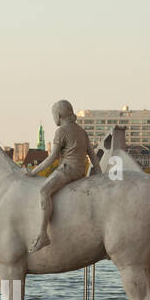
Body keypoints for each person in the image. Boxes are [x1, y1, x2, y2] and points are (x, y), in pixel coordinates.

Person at [25, 100, 100, 252]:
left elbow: (53, 157)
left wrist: (33, 172)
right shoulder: (82, 131)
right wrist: (99, 174)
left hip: (67, 170)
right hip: (80, 171)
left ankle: (42, 234)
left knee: (44, 191)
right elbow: (92, 155)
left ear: (58, 115)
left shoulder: (61, 131)